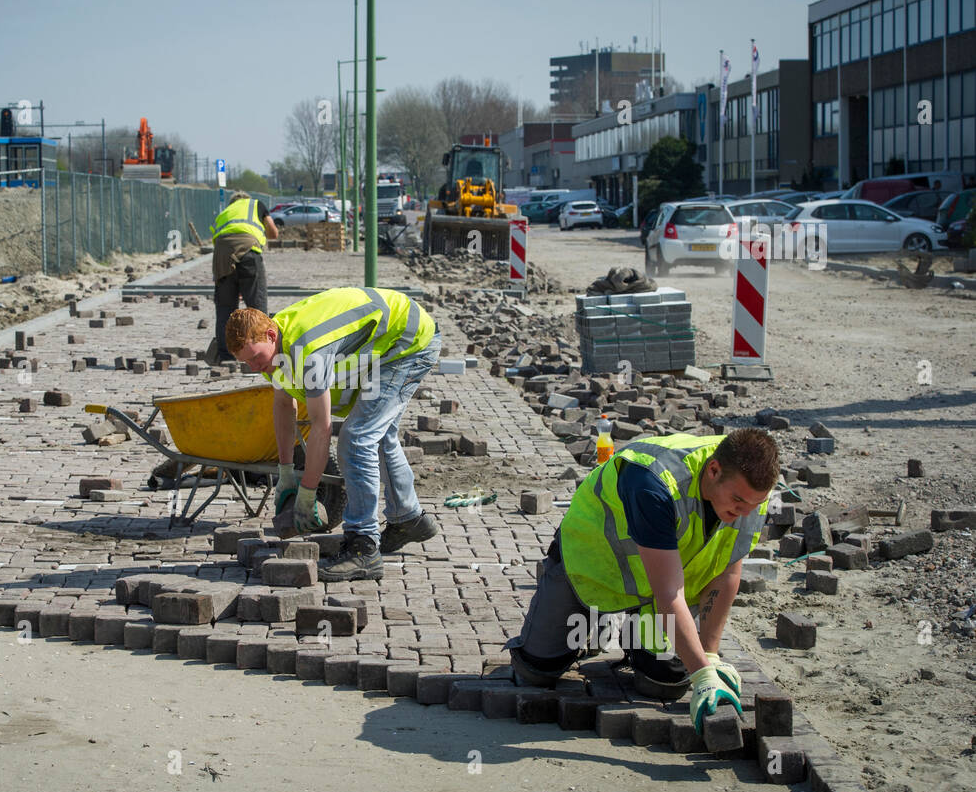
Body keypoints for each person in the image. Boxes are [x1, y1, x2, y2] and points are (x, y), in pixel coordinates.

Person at [505, 428, 779, 735]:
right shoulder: (653, 481)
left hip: (661, 582)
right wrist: (702, 675)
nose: (745, 513)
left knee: (665, 682)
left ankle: (633, 636)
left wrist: (709, 657)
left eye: (753, 506)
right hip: (594, 566)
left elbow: (727, 571)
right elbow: (668, 593)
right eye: (738, 502)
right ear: (713, 471)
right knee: (537, 671)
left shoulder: (751, 490)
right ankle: (595, 622)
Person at [226, 288, 441, 581]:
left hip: (407, 341)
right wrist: (286, 471)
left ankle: (363, 548)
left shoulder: (307, 351)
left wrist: (307, 492)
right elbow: (283, 404)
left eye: (254, 358)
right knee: (379, 433)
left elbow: (321, 426)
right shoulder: (272, 348)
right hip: (385, 339)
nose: (253, 368)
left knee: (357, 439)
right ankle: (408, 518)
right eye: (245, 363)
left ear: (271, 336)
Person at [207, 193, 278, 364]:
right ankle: (264, 352)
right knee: (257, 304)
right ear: (246, 199)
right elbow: (273, 232)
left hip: (222, 256)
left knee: (225, 307)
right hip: (248, 249)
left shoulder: (225, 213)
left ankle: (226, 356)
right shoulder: (255, 204)